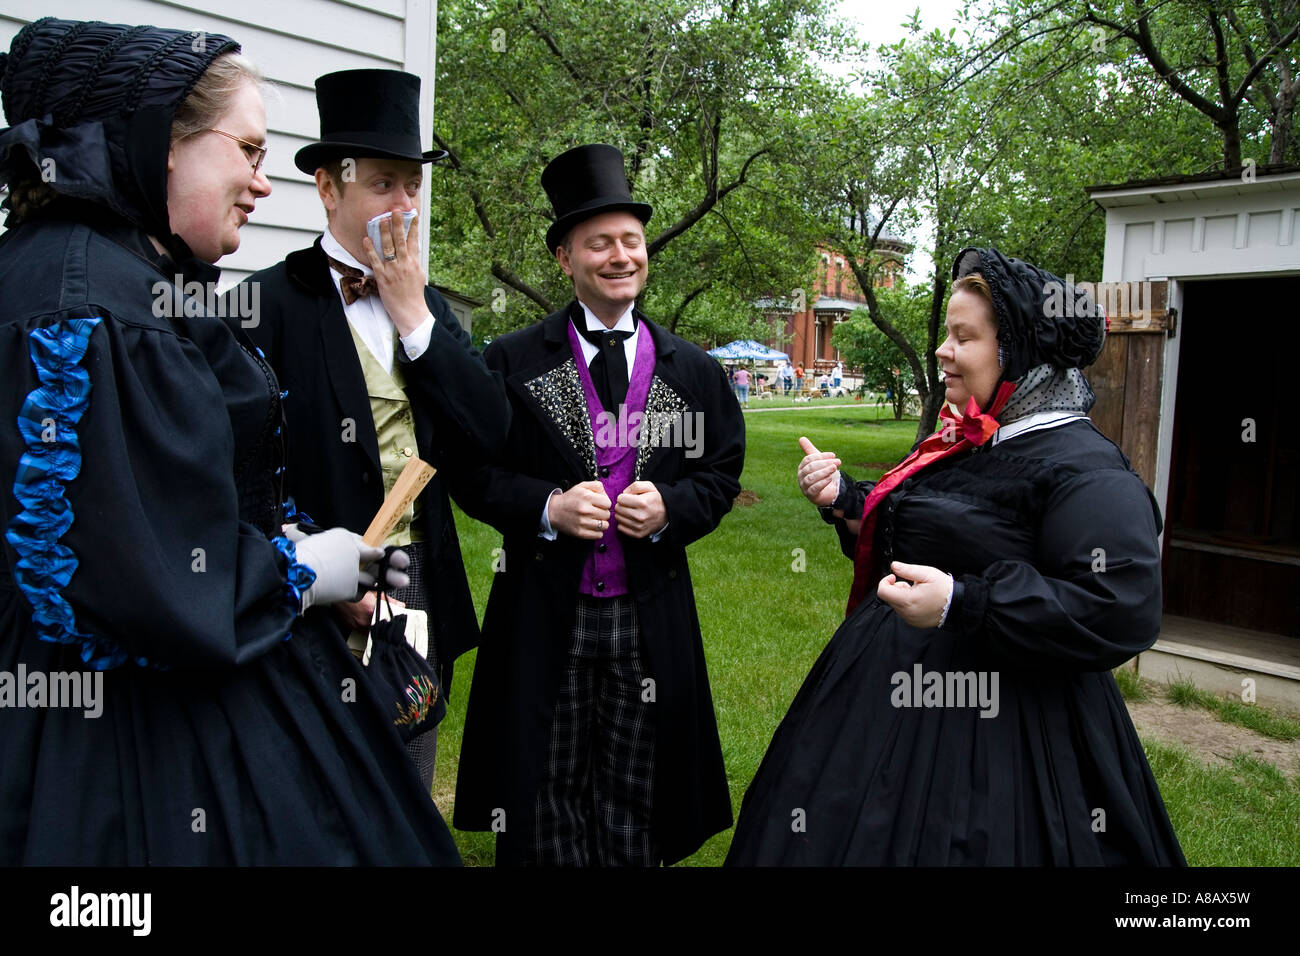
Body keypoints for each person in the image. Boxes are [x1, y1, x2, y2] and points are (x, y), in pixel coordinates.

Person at [0, 18, 460, 865]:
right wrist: (299, 572)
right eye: (246, 152)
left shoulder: (125, 275)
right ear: (158, 142)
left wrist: (291, 553)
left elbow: (154, 505)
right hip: (140, 733)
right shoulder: (95, 303)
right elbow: (146, 576)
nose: (259, 182)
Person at [725, 247, 1185, 865]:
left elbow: (1118, 604)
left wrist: (965, 602)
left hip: (1010, 723)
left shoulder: (1083, 467)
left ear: (1019, 353)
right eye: (946, 333)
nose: (943, 351)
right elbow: (933, 530)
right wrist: (845, 499)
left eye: (963, 337)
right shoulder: (973, 435)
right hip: (888, 690)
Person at [449, 144, 745, 866]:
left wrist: (672, 506)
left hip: (649, 615)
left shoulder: (695, 371)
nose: (620, 256)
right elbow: (470, 469)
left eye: (631, 241)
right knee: (545, 783)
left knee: (637, 787)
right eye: (599, 243)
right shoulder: (512, 362)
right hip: (544, 613)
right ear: (565, 258)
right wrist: (547, 506)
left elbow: (722, 473)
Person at [234, 69, 510, 796]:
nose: (405, 203)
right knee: (315, 790)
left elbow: (491, 429)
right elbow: (240, 474)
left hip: (417, 580)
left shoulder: (429, 306)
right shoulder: (258, 304)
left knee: (409, 781)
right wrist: (315, 574)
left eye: (413, 186)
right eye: (385, 183)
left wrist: (415, 317)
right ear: (330, 187)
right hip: (312, 588)